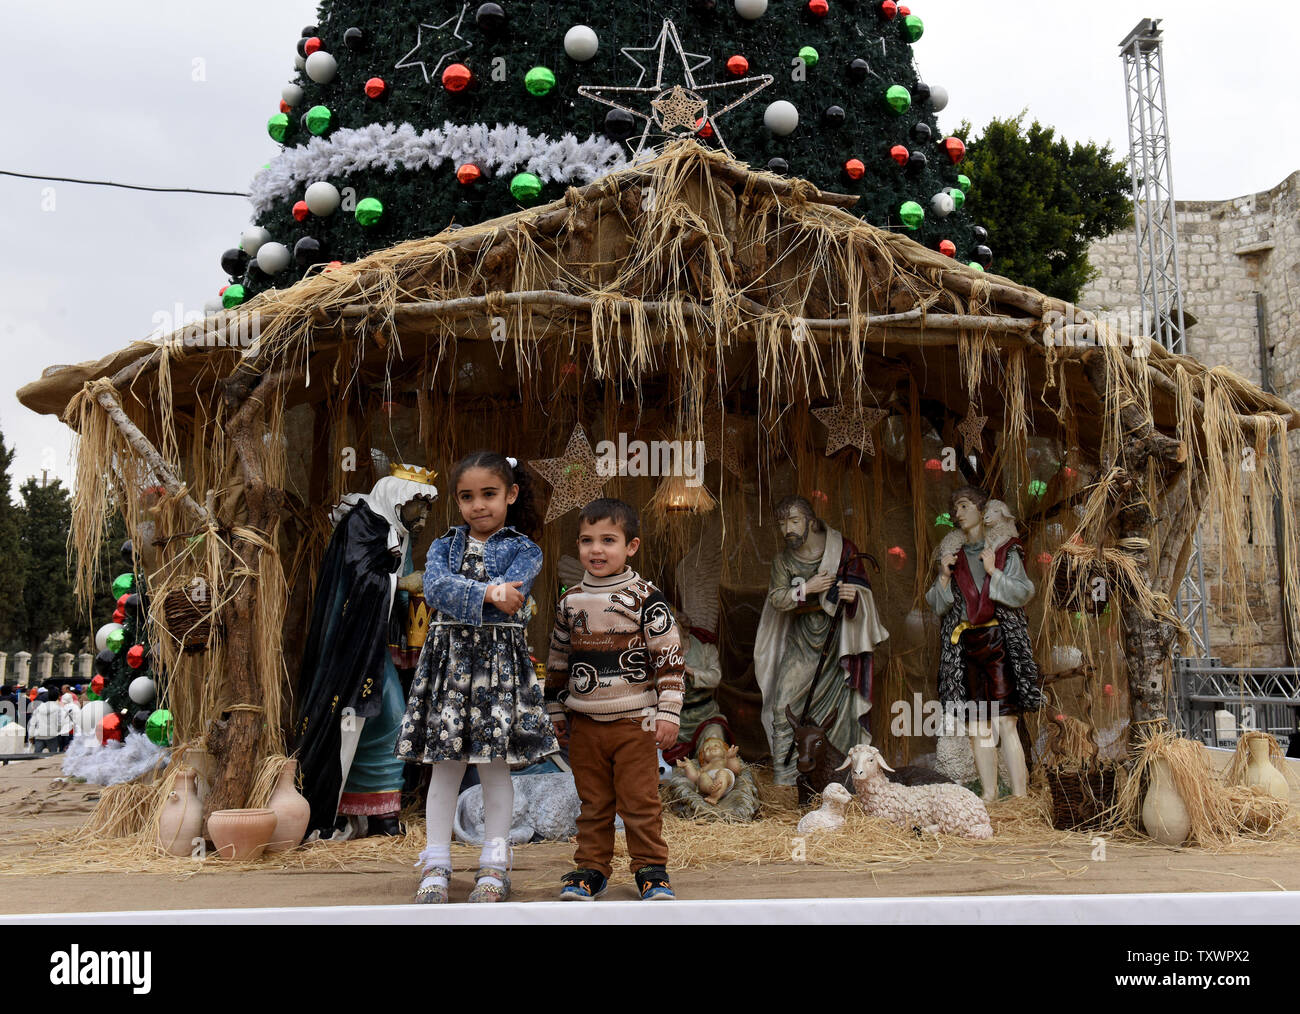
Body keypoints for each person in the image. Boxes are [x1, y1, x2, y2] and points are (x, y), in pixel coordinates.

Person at [396, 452, 557, 904]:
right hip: (449, 667)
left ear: (511, 494)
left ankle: (494, 860)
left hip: (498, 669)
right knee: (445, 767)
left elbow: (515, 598)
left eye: (489, 494)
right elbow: (434, 588)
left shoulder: (524, 549)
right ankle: (436, 861)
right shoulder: (444, 544)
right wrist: (489, 591)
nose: (478, 505)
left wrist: (494, 596)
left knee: (494, 765)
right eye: (467, 497)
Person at [546, 498, 685, 901]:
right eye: (587, 540)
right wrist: (555, 708)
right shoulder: (570, 600)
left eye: (609, 540)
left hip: (636, 720)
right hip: (586, 722)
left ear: (631, 547)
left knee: (640, 801)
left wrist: (669, 711)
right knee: (593, 803)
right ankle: (590, 870)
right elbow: (558, 658)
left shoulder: (646, 598)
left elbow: (670, 659)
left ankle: (651, 871)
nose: (596, 549)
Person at [295, 462, 438, 841]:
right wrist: (401, 582)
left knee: (385, 720)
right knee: (385, 716)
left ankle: (381, 813)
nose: (423, 514)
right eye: (417, 504)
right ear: (396, 497)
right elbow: (358, 577)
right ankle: (354, 811)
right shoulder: (363, 523)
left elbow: (398, 586)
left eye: (426, 506)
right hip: (351, 646)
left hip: (375, 642)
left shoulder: (395, 530)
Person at [754, 496, 889, 785]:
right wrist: (808, 587)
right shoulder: (783, 561)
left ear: (810, 522)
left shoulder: (844, 550)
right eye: (782, 523)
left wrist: (854, 596)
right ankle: (786, 781)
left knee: (839, 712)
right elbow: (778, 598)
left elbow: (862, 591)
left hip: (838, 644)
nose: (787, 529)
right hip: (802, 641)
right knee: (783, 707)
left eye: (793, 521)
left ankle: (835, 777)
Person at [926, 487, 1043, 802]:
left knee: (1006, 720)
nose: (959, 513)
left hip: (999, 643)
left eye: (964, 506)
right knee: (978, 724)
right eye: (956, 508)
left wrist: (993, 571)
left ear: (981, 509)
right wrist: (943, 578)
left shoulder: (1005, 551)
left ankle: (1020, 798)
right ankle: (989, 796)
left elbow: (1022, 592)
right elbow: (938, 606)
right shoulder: (953, 558)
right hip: (968, 645)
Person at [26, 689, 62, 754]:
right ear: (57, 697)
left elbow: (33, 722)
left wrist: (31, 735)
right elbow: (59, 723)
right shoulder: (58, 708)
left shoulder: (39, 707)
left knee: (36, 756)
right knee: (53, 756)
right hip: (52, 735)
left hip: (39, 734)